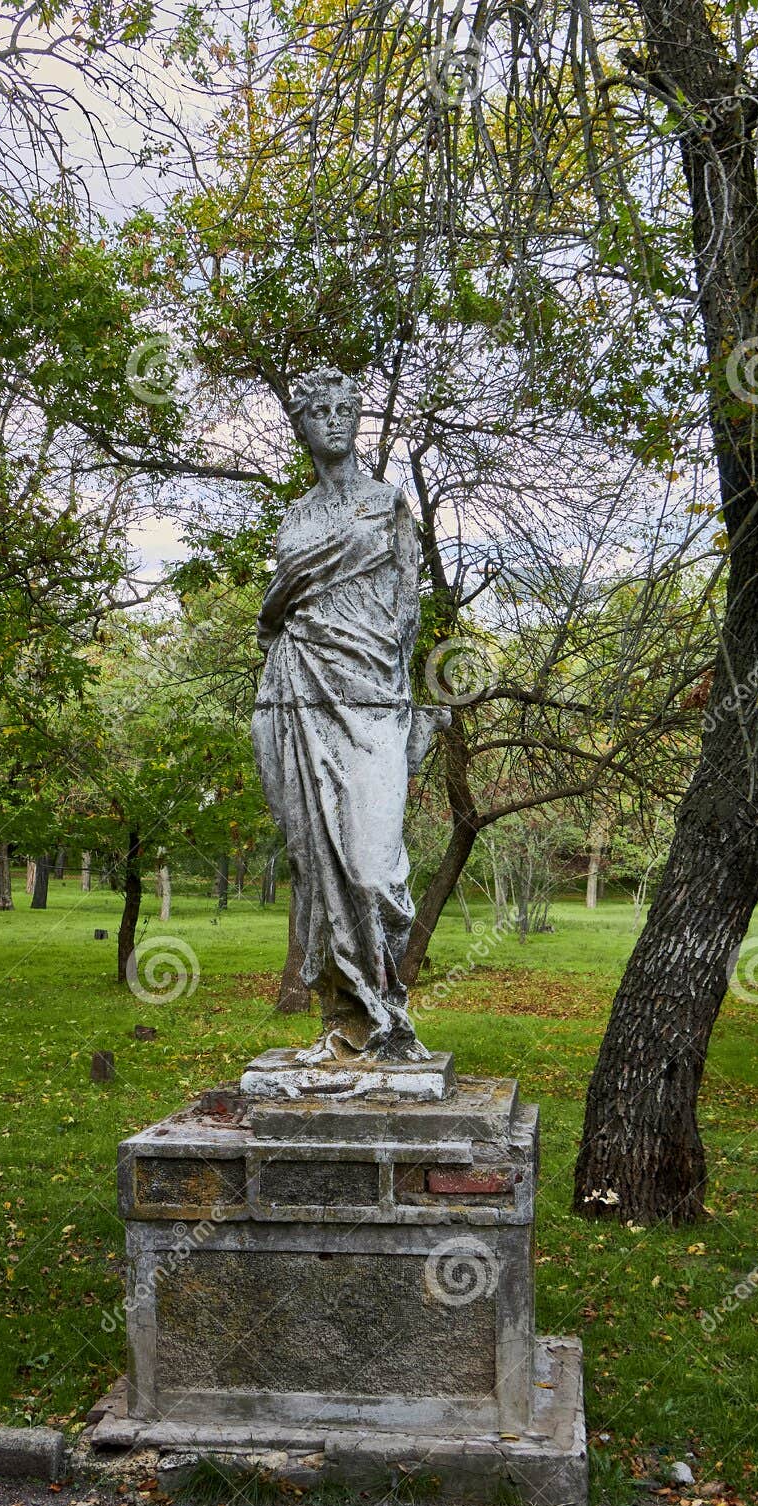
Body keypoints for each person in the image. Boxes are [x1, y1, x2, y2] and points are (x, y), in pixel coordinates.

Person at [252, 366, 442, 1062]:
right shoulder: (296, 516)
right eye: (319, 411)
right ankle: (347, 1021)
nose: (334, 420)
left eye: (345, 408)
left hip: (369, 695)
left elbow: (407, 607)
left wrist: (397, 702)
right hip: (298, 688)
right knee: (316, 865)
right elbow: (273, 617)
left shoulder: (387, 502)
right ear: (300, 425)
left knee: (371, 870)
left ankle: (386, 1010)